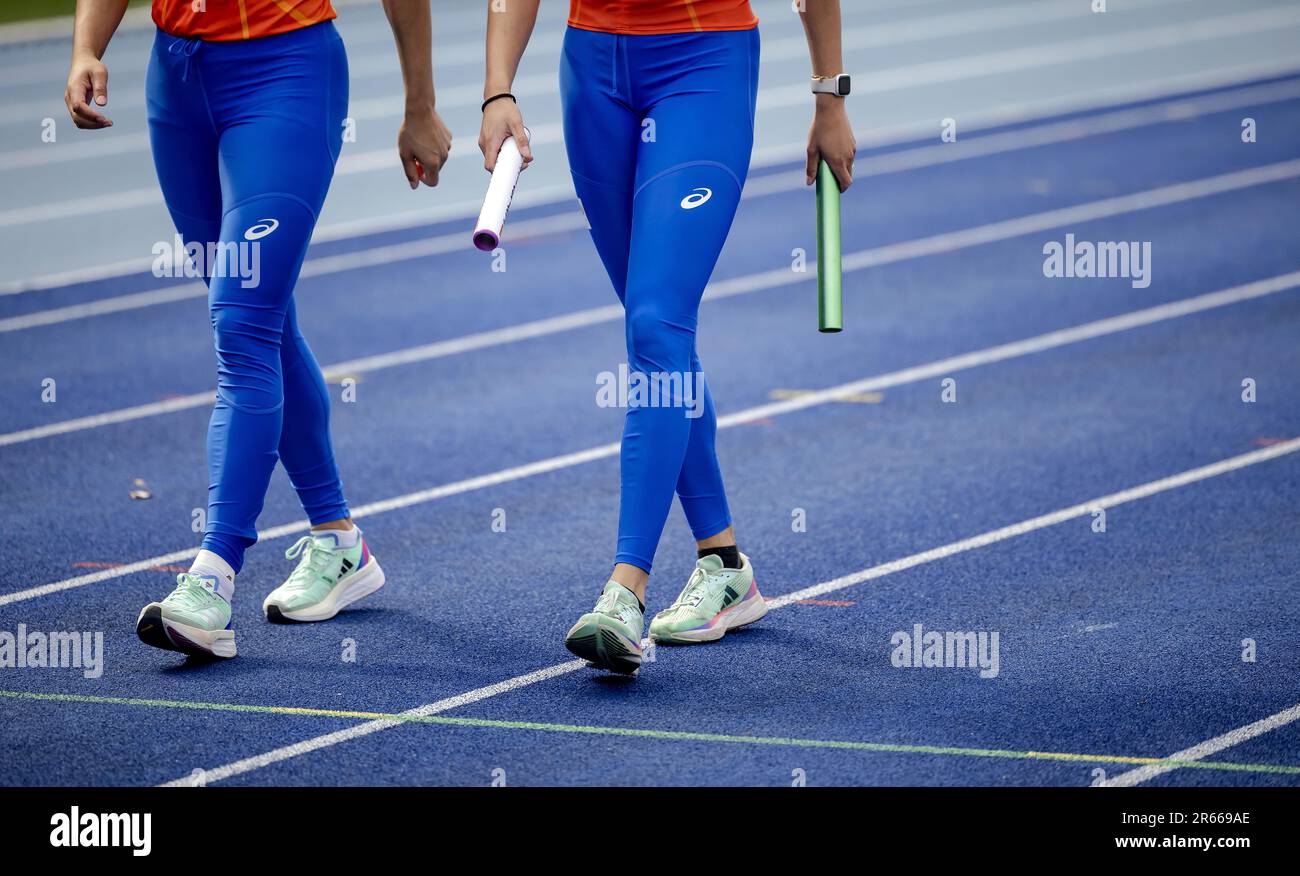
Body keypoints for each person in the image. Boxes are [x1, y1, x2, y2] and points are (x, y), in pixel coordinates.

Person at [64, 0, 452, 658]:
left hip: (285, 71)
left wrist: (420, 104)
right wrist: (85, 47)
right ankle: (339, 544)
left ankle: (211, 582)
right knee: (260, 318)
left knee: (242, 322)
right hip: (178, 78)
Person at [479, 0, 855, 673]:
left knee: (656, 323)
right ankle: (724, 565)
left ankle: (626, 593)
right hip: (593, 69)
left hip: (702, 59)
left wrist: (830, 97)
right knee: (657, 334)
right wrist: (498, 88)